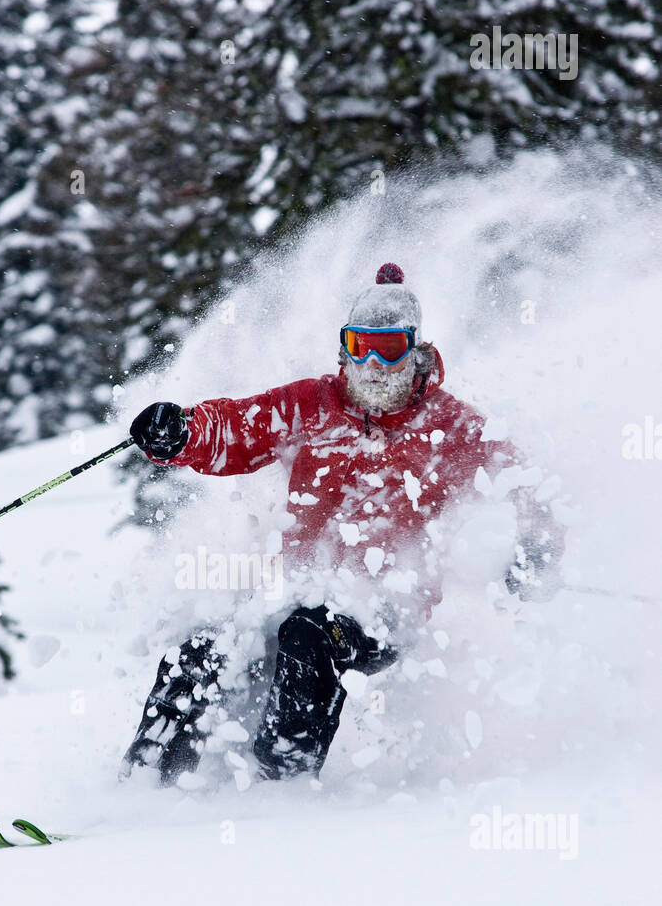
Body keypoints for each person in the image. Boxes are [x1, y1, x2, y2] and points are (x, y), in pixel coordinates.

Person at [122, 263, 563, 785]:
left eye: (391, 348)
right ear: (344, 349)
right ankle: (147, 783)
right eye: (360, 345)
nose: (374, 363)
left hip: (384, 611)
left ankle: (279, 785)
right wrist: (184, 431)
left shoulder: (450, 428)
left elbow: (524, 480)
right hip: (295, 588)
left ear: (417, 352)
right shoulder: (313, 406)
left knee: (308, 633)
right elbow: (238, 429)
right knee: (208, 646)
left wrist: (535, 549)